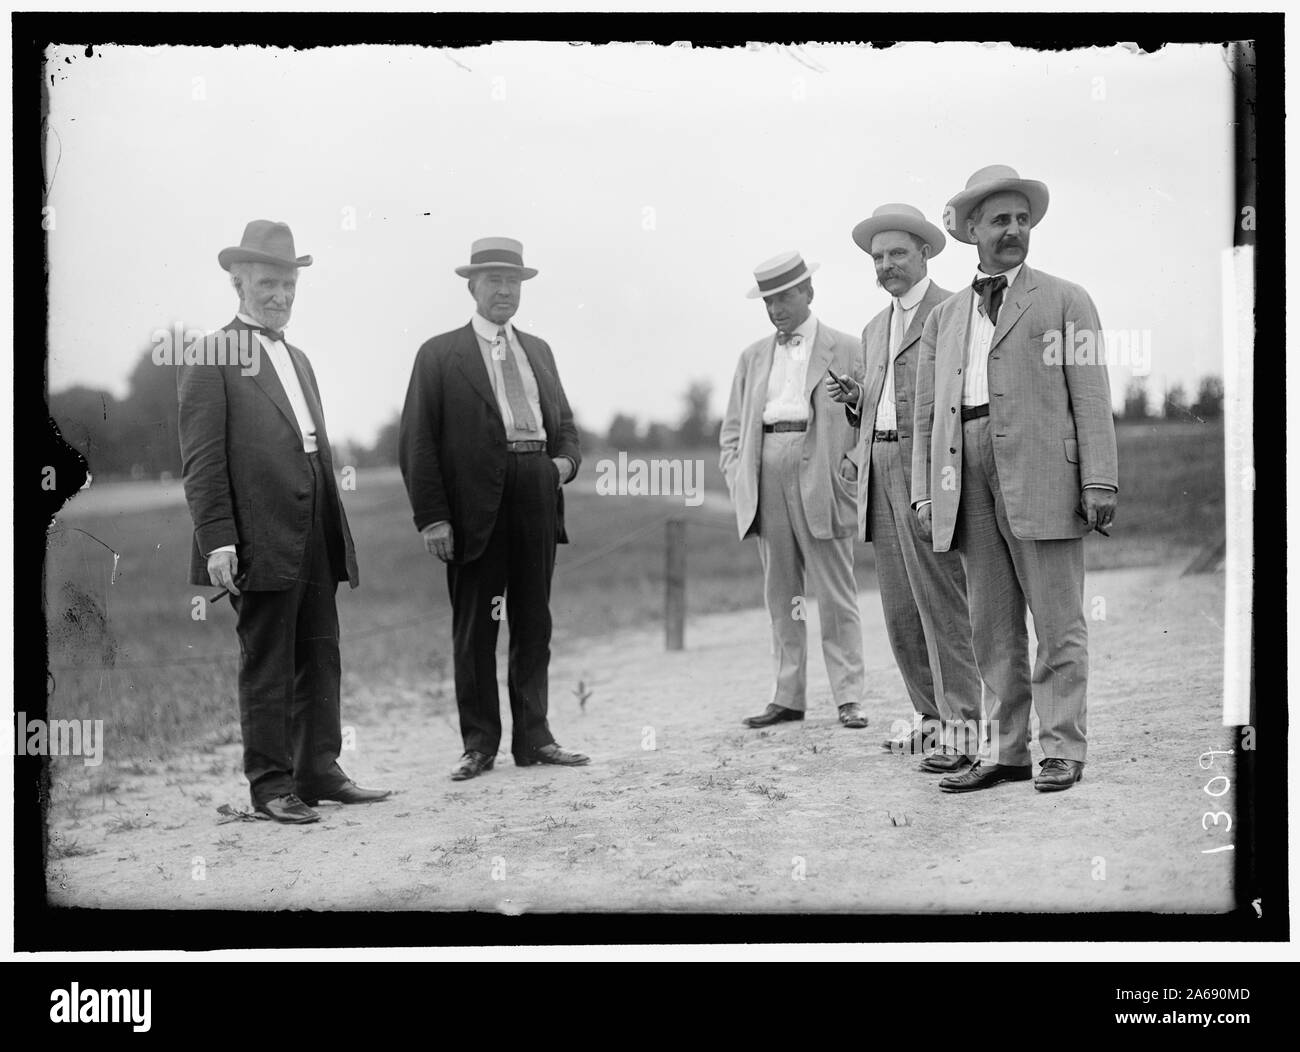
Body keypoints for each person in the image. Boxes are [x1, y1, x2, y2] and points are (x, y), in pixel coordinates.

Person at [912, 166, 1119, 793]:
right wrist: (926, 491)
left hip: (1044, 475)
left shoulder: (1065, 299)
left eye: (1022, 220)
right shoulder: (943, 318)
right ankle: (1006, 752)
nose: (1014, 230)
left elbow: (1091, 395)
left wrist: (1100, 479)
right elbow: (925, 414)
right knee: (991, 625)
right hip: (965, 473)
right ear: (971, 229)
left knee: (1058, 621)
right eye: (1000, 220)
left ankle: (1061, 747)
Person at [178, 219, 390, 824]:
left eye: (289, 285)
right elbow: (202, 462)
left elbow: (312, 446)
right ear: (238, 282)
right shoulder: (210, 355)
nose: (280, 296)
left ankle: (319, 770)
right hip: (257, 539)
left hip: (315, 529)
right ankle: (271, 785)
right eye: (268, 283)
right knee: (267, 662)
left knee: (321, 654)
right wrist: (218, 540)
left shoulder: (297, 357)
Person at [398, 237, 589, 781]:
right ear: (472, 287)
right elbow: (418, 441)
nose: (505, 290)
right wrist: (433, 517)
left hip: (536, 487)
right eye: (494, 280)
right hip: (472, 502)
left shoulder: (540, 351)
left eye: (513, 281)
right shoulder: (439, 354)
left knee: (534, 620)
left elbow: (567, 429)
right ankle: (479, 745)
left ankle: (535, 738)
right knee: (477, 627)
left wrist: (562, 467)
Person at [825, 204, 984, 773]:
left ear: (924, 253)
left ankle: (965, 731)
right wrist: (857, 399)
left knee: (942, 604)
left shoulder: (953, 310)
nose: (886, 265)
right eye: (877, 258)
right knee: (899, 611)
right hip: (880, 466)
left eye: (896, 254)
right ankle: (932, 722)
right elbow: (885, 402)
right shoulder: (874, 327)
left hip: (926, 471)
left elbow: (953, 401)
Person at [720, 251, 868, 731]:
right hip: (767, 473)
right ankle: (787, 696)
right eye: (768, 300)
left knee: (835, 591)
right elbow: (733, 430)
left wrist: (850, 466)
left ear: (808, 292)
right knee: (781, 593)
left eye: (785, 296)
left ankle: (849, 697)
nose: (777, 308)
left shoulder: (847, 347)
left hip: (822, 473)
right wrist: (738, 474)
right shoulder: (752, 356)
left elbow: (868, 417)